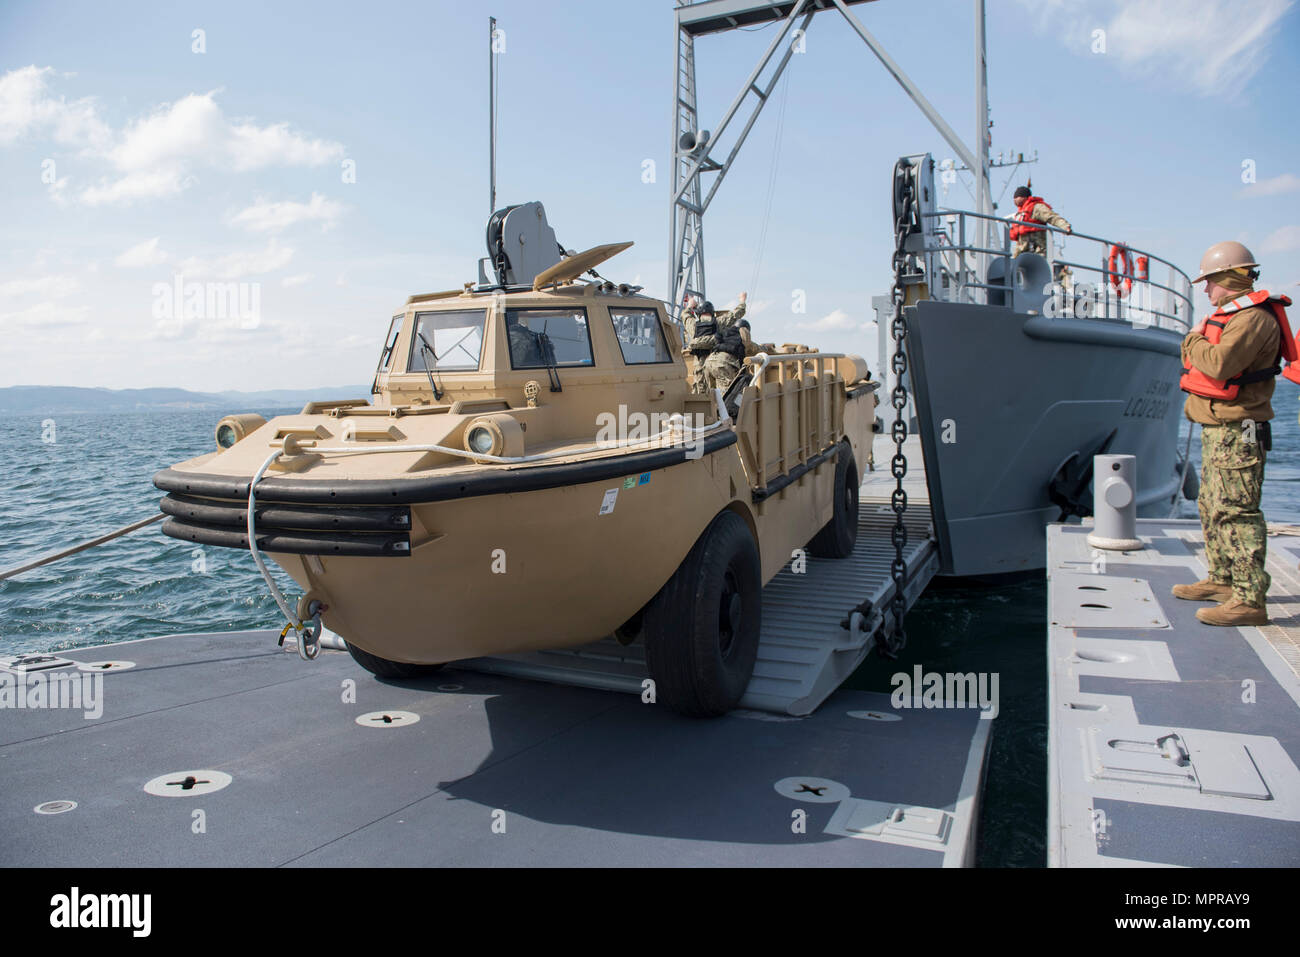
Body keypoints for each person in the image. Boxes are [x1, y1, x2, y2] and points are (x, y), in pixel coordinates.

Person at [1173, 240, 1298, 626]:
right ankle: (1224, 579)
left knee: (1237, 510)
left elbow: (1219, 365)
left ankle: (1249, 598)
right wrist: (1196, 343)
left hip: (1240, 429)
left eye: (1210, 281)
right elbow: (1201, 361)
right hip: (1218, 428)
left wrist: (1193, 338)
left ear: (1229, 277)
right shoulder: (1232, 317)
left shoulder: (1252, 319)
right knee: (1211, 505)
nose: (1206, 290)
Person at [684, 293, 748, 393]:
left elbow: (685, 316)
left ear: (699, 313)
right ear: (712, 312)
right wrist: (742, 301)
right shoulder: (719, 322)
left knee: (700, 392)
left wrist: (689, 306)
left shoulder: (693, 325)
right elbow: (736, 314)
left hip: (699, 365)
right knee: (721, 392)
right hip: (715, 360)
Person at [1009, 186, 1072, 258]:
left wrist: (1065, 227)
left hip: (1037, 247)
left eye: (1017, 197)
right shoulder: (1020, 213)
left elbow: (1052, 217)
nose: (1014, 200)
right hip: (1022, 248)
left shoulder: (1037, 207)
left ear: (1024, 197)